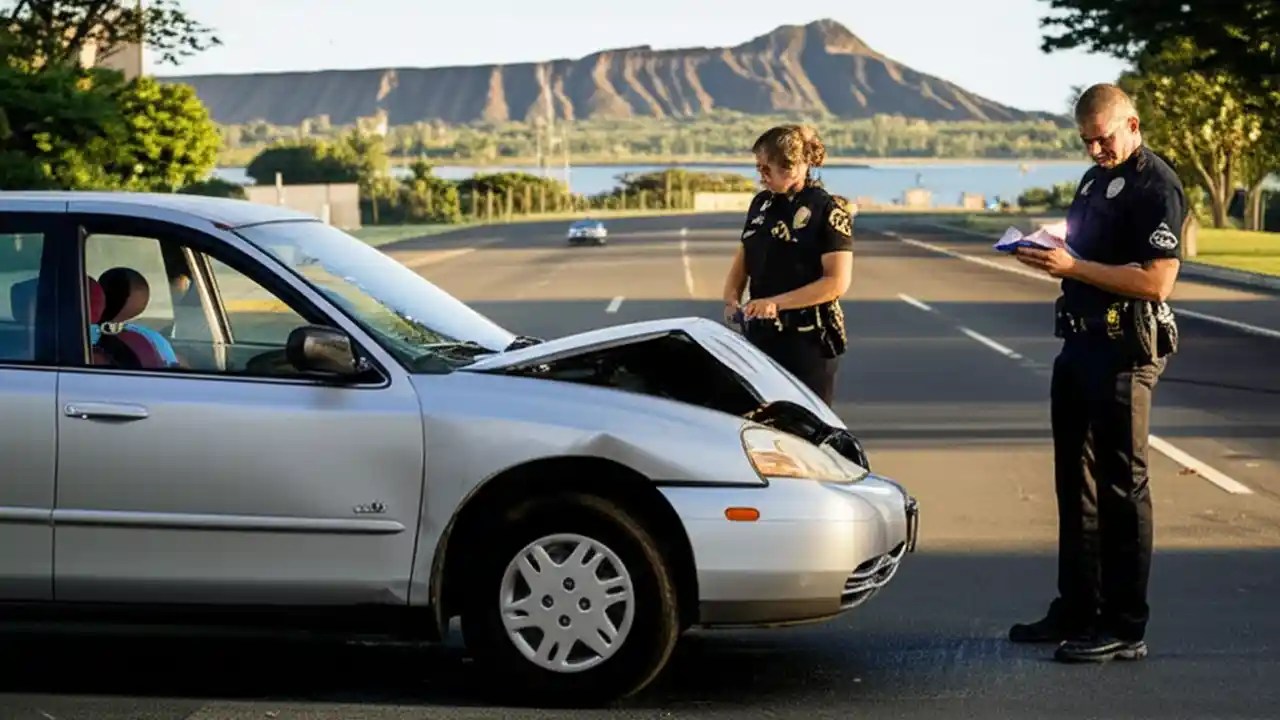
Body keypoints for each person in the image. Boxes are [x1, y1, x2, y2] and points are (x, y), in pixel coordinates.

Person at [1009, 83, 1184, 664]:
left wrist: (1074, 267)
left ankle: (1126, 625)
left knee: (1121, 487)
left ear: (1131, 124)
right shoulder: (1092, 180)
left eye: (1102, 138)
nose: (1094, 150)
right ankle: (1078, 607)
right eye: (1085, 141)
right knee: (1074, 482)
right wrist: (1046, 252)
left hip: (1125, 350)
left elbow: (1157, 281)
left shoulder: (1157, 185)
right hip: (1079, 344)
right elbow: (1083, 253)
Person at [720, 124, 855, 406]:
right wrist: (731, 297)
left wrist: (775, 303)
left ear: (792, 167)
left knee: (805, 423)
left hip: (808, 343)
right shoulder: (761, 204)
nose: (761, 176)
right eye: (758, 168)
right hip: (762, 337)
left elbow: (836, 282)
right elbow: (745, 253)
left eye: (766, 168)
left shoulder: (828, 210)